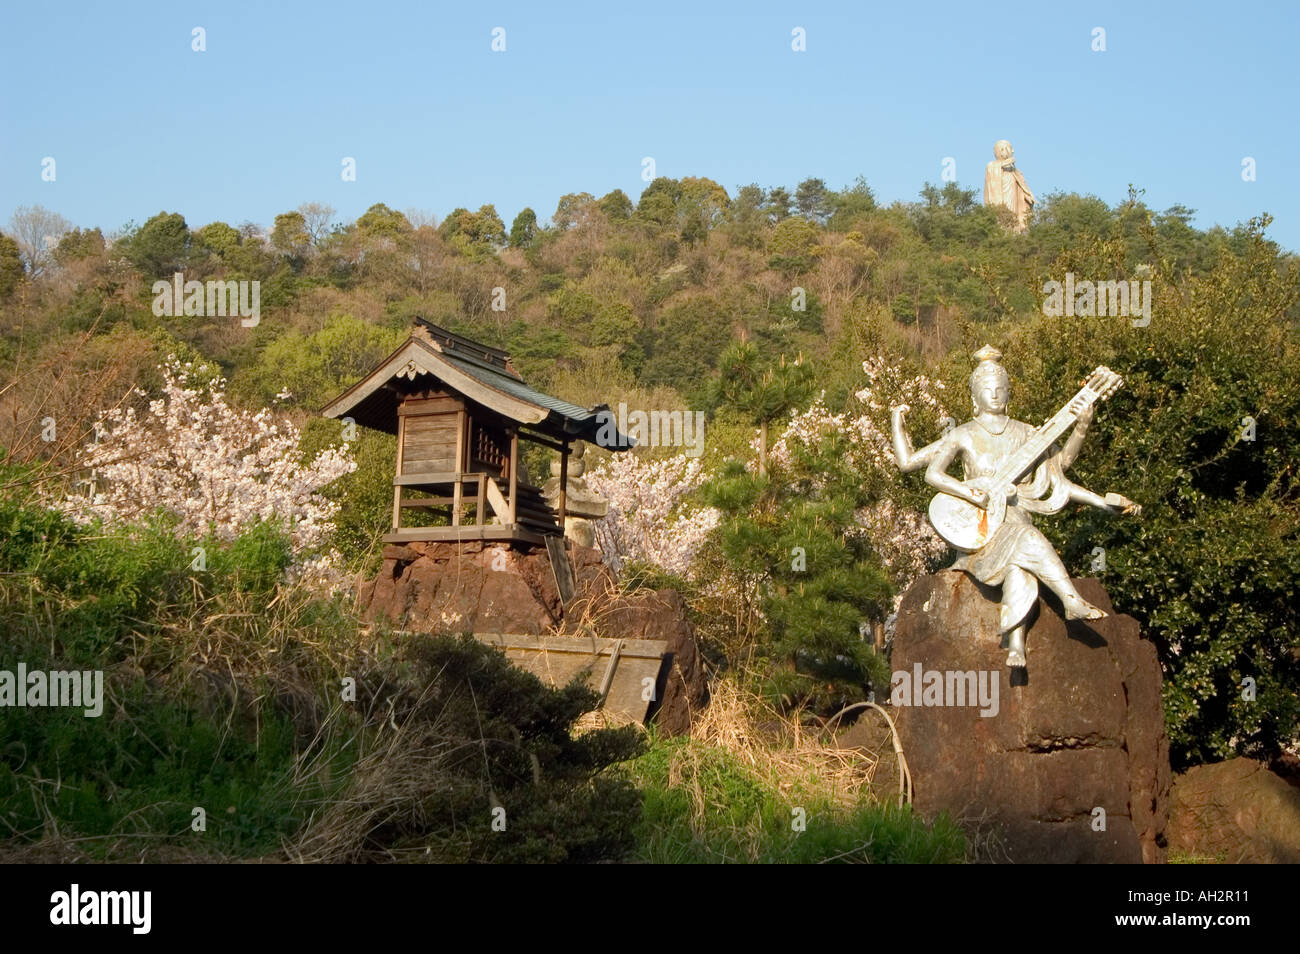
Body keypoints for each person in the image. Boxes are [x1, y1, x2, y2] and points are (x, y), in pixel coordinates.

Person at [891, 346, 1139, 667]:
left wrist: (1081, 427)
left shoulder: (1027, 433)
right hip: (981, 532)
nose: (994, 395)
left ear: (1008, 394)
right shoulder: (963, 434)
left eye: (1000, 389)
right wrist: (898, 423)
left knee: (1019, 564)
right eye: (986, 390)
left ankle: (1016, 644)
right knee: (1030, 540)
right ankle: (1070, 600)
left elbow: (1059, 468)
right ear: (974, 397)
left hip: (1016, 520)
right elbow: (914, 465)